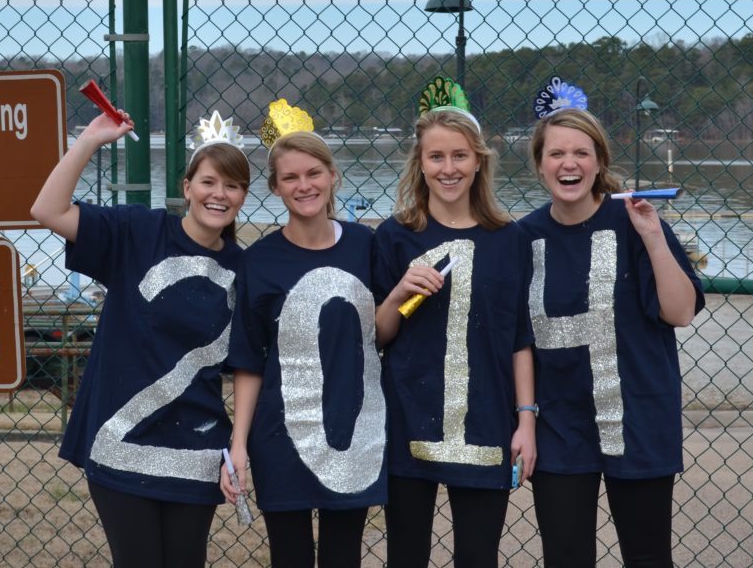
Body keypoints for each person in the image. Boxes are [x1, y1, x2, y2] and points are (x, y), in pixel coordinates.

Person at [31, 106, 251, 568]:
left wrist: (238, 446)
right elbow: (47, 210)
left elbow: (249, 365)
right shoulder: (138, 231)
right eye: (209, 181)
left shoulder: (244, 269)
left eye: (232, 185)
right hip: (121, 444)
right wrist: (89, 141)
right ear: (186, 187)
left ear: (243, 197)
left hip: (195, 451)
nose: (219, 194)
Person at [520, 87, 704, 568]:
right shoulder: (523, 236)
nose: (569, 163)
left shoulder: (634, 221)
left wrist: (653, 237)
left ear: (599, 161)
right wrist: (524, 418)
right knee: (565, 556)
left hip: (637, 415)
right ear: (539, 165)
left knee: (647, 557)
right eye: (556, 153)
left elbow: (681, 312)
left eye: (581, 153)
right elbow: (517, 338)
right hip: (560, 424)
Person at [372, 78, 537, 568]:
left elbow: (519, 337)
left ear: (479, 160)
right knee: (406, 554)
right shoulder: (395, 235)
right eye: (437, 157)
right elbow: (378, 333)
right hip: (408, 413)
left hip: (485, 416)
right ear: (420, 163)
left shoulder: (509, 238)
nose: (449, 169)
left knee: (478, 555)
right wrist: (399, 292)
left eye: (460, 156)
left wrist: (526, 420)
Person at [220, 100, 386, 568]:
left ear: (333, 175)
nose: (304, 185)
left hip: (354, 426)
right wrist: (239, 442)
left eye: (313, 173)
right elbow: (250, 360)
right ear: (275, 187)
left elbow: (387, 329)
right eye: (290, 178)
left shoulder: (367, 246)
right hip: (281, 434)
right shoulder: (259, 260)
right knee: (289, 554)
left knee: (343, 554)